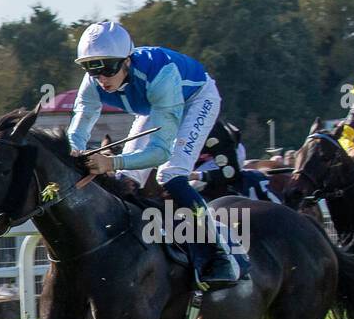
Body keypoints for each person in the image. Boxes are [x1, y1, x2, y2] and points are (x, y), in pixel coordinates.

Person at [68, 19, 239, 290]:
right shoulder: (93, 82)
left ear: (127, 61)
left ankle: (220, 255)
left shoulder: (161, 74)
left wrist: (109, 162)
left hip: (196, 100)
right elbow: (77, 132)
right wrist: (75, 155)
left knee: (170, 174)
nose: (101, 78)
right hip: (154, 106)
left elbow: (159, 152)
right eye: (91, 68)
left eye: (107, 68)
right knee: (126, 180)